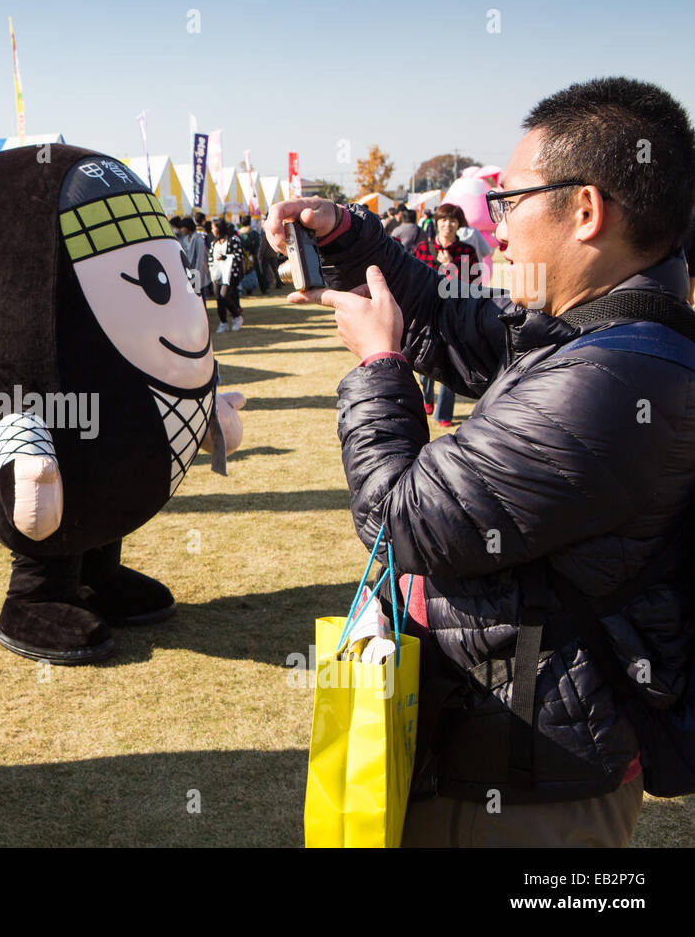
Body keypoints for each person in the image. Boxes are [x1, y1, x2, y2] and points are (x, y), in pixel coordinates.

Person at [266, 76, 695, 847]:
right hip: (512, 735)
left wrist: (377, 369)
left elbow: (400, 520)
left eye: (511, 203)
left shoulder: (611, 380)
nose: (498, 230)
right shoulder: (596, 331)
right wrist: (342, 237)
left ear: (587, 210)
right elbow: (443, 318)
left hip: (532, 774)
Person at [412, 202, 481, 426]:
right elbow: (415, 279)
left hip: (455, 313)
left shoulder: (467, 252)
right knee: (424, 363)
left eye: (452, 220)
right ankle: (426, 395)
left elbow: (474, 285)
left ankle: (444, 414)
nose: (447, 225)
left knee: (451, 363)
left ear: (458, 224)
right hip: (426, 313)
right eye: (443, 220)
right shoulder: (422, 248)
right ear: (437, 223)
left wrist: (451, 267)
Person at [211, 218, 244, 332]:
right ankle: (223, 322)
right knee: (218, 299)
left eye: (214, 228)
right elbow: (211, 258)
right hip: (217, 274)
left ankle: (237, 316)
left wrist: (225, 258)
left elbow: (239, 256)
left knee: (225, 296)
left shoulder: (232, 240)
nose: (213, 230)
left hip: (229, 275)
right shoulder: (214, 243)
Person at [175, 217, 212, 306]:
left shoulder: (198, 239)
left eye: (182, 227)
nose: (181, 230)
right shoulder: (185, 239)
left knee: (200, 295)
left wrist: (196, 274)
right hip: (189, 270)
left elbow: (200, 258)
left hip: (197, 271)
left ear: (187, 227)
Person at [237, 216, 262, 295]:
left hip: (243, 256)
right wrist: (254, 251)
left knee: (244, 271)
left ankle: (246, 288)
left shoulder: (239, 233)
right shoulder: (253, 233)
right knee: (258, 271)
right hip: (253, 255)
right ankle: (263, 287)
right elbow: (258, 243)